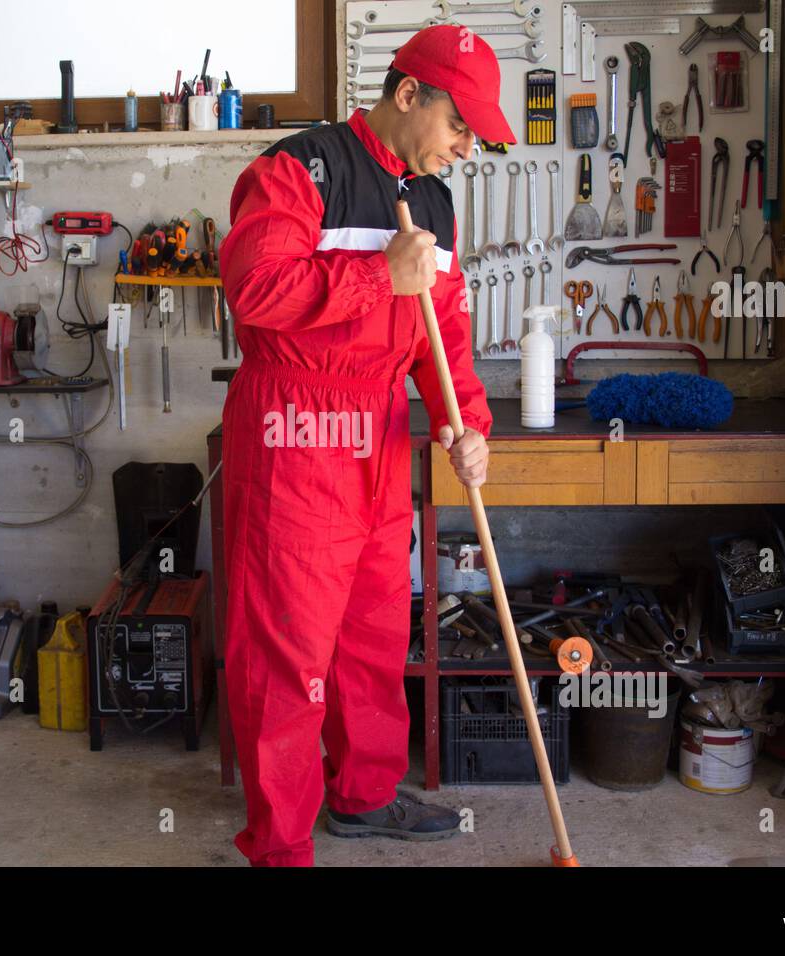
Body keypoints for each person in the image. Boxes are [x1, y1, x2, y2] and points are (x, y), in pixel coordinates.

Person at [217, 23, 514, 867]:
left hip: (380, 437)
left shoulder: (438, 201)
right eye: (460, 126)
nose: (464, 148)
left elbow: (442, 333)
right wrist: (378, 272)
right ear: (409, 94)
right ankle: (280, 845)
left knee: (374, 633)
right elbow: (255, 290)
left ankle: (364, 794)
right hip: (297, 433)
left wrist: (466, 426)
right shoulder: (299, 171)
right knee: (288, 652)